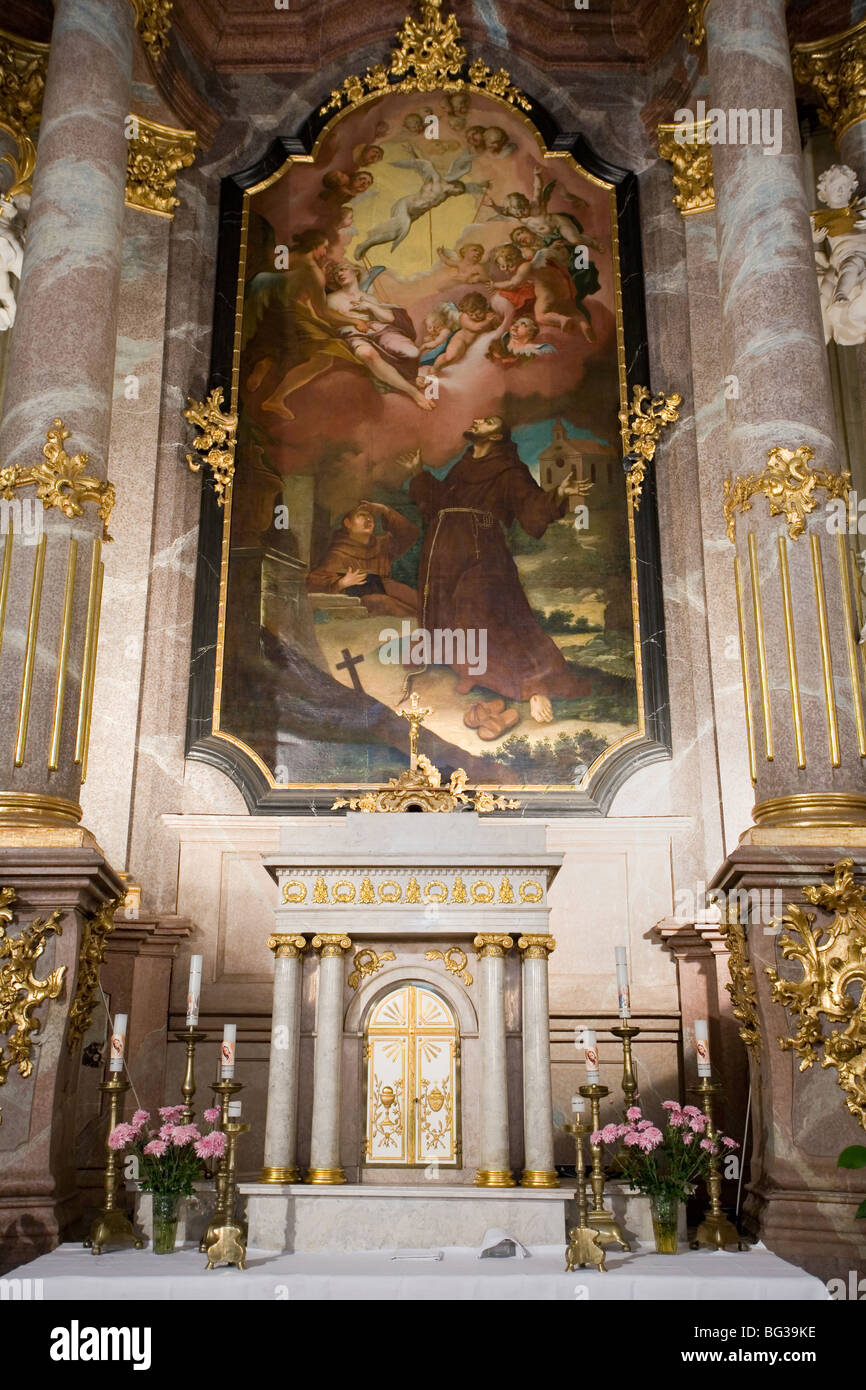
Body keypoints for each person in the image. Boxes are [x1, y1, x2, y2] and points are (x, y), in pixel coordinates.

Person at [407, 416, 591, 738]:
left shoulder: (508, 470)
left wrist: (558, 493)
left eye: (487, 420)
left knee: (487, 616)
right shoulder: (463, 468)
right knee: (451, 616)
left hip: (482, 550)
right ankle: (472, 673)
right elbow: (440, 503)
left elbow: (530, 505)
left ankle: (534, 687)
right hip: (445, 550)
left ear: (496, 435)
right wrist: (418, 474)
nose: (477, 420)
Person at [306, 501, 419, 618]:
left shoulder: (382, 545)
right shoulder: (337, 554)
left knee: (416, 599)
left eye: (370, 516)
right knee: (381, 602)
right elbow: (312, 583)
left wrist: (385, 510)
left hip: (388, 589)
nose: (368, 520)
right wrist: (341, 583)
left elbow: (410, 534)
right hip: (360, 601)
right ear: (348, 523)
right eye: (361, 515)